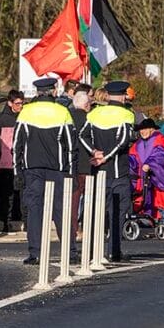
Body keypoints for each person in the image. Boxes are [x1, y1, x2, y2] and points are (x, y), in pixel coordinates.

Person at [14, 78, 76, 265]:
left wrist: (18, 172)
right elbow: (71, 146)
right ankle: (70, 252)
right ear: (54, 91)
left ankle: (35, 253)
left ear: (37, 92)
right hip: (57, 169)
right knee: (60, 211)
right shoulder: (63, 111)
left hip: (32, 169)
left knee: (35, 211)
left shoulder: (26, 112)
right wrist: (71, 173)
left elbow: (17, 145)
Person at [80, 81, 136, 261]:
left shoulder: (94, 113)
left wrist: (94, 152)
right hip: (118, 171)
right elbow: (124, 141)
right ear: (122, 95)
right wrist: (107, 156)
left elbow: (82, 135)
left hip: (98, 170)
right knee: (118, 213)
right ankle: (114, 251)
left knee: (96, 212)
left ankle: (90, 251)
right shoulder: (127, 114)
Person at [129, 118, 164, 236]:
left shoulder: (160, 139)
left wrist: (149, 163)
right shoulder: (137, 144)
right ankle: (151, 219)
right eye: (141, 130)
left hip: (157, 177)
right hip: (144, 178)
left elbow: (160, 154)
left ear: (152, 129)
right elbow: (133, 157)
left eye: (145, 129)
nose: (143, 132)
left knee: (163, 201)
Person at [0, 90, 24, 233]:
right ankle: (5, 220)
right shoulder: (2, 119)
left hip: (19, 162)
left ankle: (17, 218)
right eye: (17, 103)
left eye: (21, 103)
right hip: (5, 163)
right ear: (10, 103)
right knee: (6, 194)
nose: (20, 106)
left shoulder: (23, 117)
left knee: (19, 192)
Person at [68, 89, 93, 237]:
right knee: (87, 197)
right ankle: (86, 226)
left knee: (73, 198)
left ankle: (72, 227)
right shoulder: (89, 119)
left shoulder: (67, 118)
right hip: (86, 163)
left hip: (70, 163)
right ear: (86, 105)